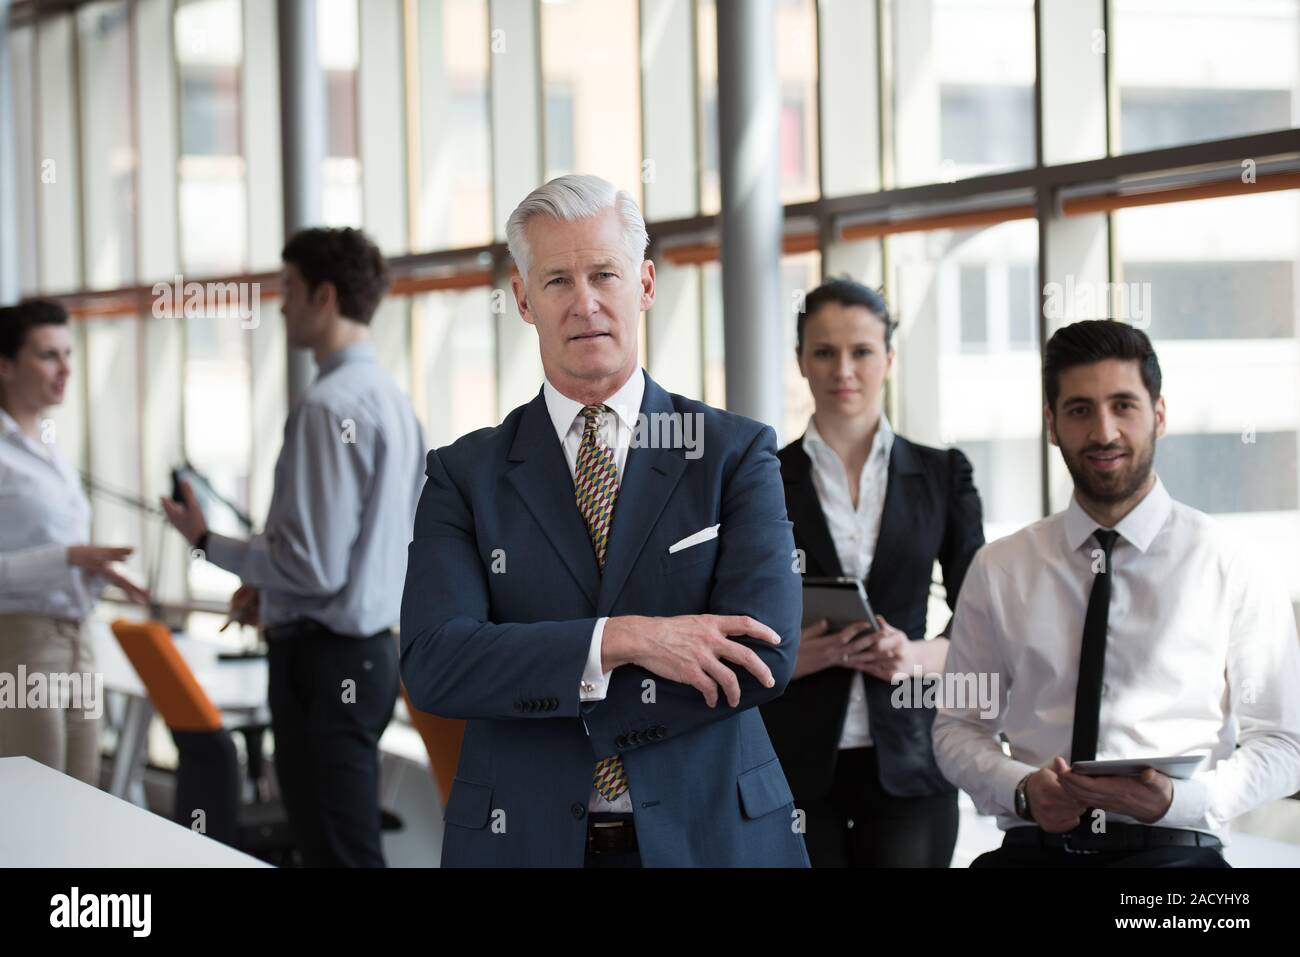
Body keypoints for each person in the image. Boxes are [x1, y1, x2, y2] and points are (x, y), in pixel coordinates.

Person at [400, 174, 807, 868]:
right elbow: (437, 663)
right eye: (557, 280)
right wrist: (621, 641)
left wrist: (550, 681)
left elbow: (762, 654)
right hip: (522, 841)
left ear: (645, 284)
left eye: (604, 274)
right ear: (523, 299)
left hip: (714, 838)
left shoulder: (732, 453)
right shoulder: (463, 474)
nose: (584, 303)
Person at [933, 319, 1300, 867]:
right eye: (1080, 410)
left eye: (1123, 405)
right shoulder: (999, 568)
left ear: (1159, 415)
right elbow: (959, 727)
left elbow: (1284, 743)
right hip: (1037, 848)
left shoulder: (1232, 564)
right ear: (1052, 424)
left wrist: (1182, 800)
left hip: (1177, 853)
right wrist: (1022, 789)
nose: (1103, 432)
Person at [161, 227, 426, 867]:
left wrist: (205, 541)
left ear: (323, 296)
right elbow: (372, 548)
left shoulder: (326, 405)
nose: (279, 306)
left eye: (287, 290)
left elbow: (312, 564)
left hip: (322, 664)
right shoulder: (394, 402)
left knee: (333, 852)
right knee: (347, 847)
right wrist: (272, 588)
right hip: (367, 655)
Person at [759, 279, 984, 867]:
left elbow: (983, 623)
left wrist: (912, 655)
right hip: (793, 757)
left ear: (888, 356)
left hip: (912, 754)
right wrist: (791, 657)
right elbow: (728, 612)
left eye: (861, 351)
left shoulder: (942, 475)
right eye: (824, 352)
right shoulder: (759, 480)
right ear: (801, 361)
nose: (844, 370)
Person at [0, 300, 150, 784]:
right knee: (34, 799)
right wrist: (67, 557)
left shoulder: (48, 446)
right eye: (48, 355)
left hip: (77, 636)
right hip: (21, 641)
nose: (65, 369)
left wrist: (90, 568)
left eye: (68, 353)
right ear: (4, 365)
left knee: (82, 794)